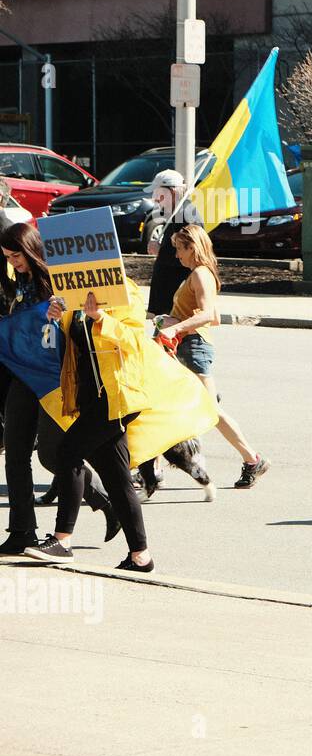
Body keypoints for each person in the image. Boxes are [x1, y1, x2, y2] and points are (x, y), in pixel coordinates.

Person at [0, 222, 120, 555]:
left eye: (16, 256)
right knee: (16, 454)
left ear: (30, 249)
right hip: (24, 376)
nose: (13, 263)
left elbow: (84, 318)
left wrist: (64, 310)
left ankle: (104, 498)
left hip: (57, 380)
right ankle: (22, 530)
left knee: (54, 455)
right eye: (7, 258)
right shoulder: (18, 282)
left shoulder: (58, 279)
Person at [25, 289, 154, 571]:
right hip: (90, 398)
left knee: (68, 453)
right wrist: (57, 318)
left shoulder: (124, 291)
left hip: (115, 398)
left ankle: (63, 540)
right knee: (116, 477)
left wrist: (101, 317)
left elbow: (135, 341)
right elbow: (73, 342)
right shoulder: (73, 292)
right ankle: (140, 556)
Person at [155, 225, 268, 490]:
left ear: (192, 247)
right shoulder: (197, 274)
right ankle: (154, 468)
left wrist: (174, 326)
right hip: (187, 345)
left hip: (193, 348)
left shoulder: (200, 274)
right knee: (166, 406)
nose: (176, 255)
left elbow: (207, 315)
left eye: (179, 249)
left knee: (211, 411)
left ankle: (252, 459)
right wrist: (170, 321)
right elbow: (213, 317)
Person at [145, 169, 204, 318]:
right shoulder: (176, 212)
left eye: (158, 193)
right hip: (167, 302)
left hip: (175, 302)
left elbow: (190, 253)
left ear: (172, 192)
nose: (155, 199)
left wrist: (160, 250)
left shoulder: (185, 214)